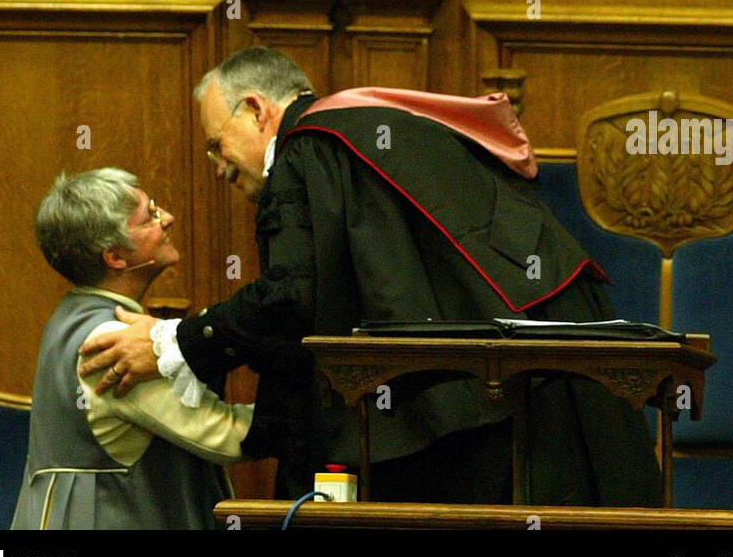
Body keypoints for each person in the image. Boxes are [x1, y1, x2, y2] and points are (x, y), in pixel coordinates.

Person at [80, 47, 662, 506]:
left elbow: (291, 299)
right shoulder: (371, 129)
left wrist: (171, 341)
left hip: (483, 410)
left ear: (257, 110)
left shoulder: (309, 149)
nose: (217, 167)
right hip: (556, 376)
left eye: (217, 145)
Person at [12, 168, 252, 529]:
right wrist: (316, 416)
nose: (167, 218)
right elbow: (225, 436)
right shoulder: (112, 342)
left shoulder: (70, 316)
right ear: (115, 257)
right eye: (150, 217)